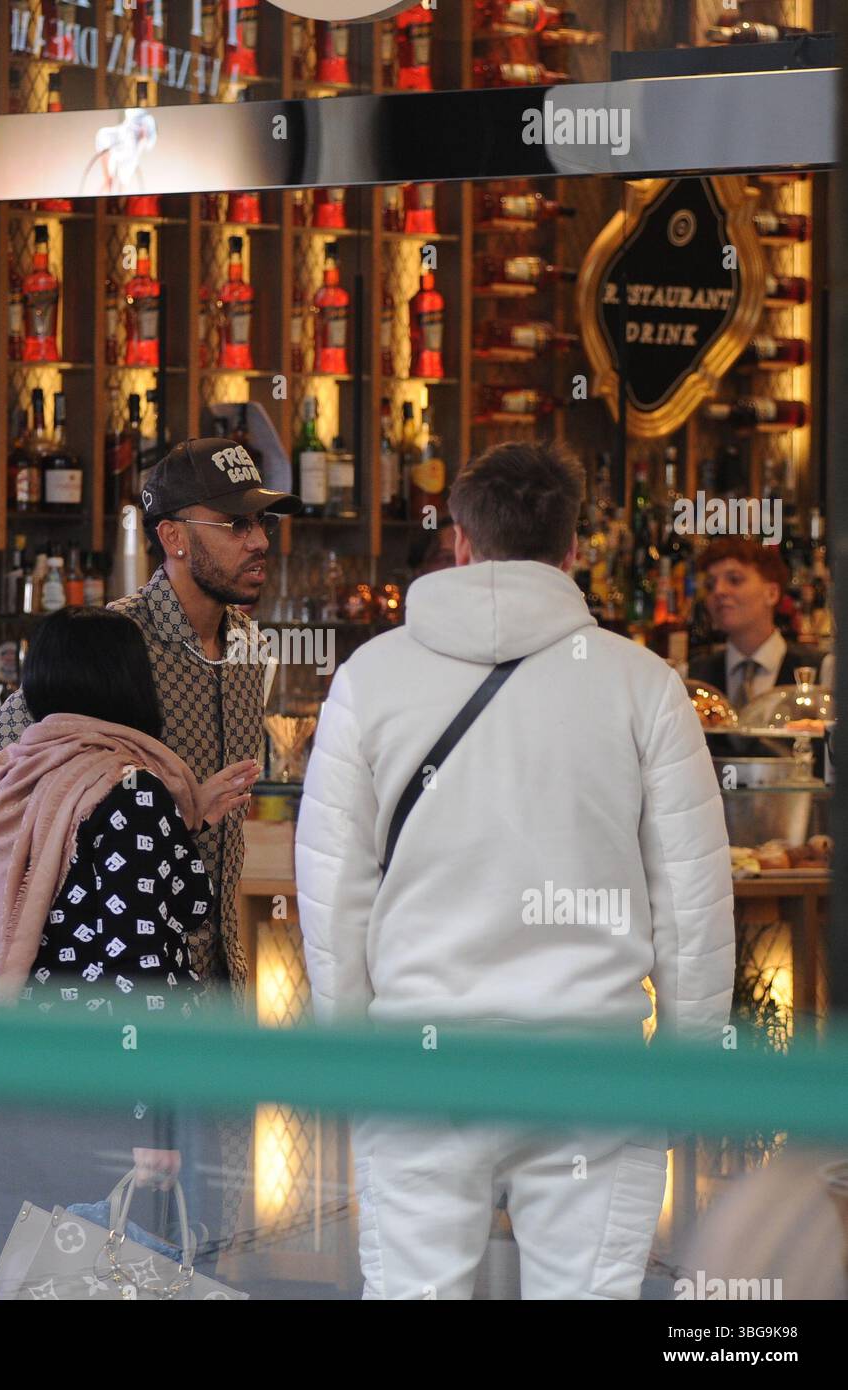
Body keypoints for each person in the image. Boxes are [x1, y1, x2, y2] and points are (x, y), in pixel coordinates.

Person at [294, 439, 735, 1300]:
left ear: (459, 540)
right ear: (573, 551)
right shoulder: (642, 684)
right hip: (590, 1065)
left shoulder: (368, 678)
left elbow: (334, 890)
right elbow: (692, 899)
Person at [0, 435, 300, 1246]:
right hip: (108, 997)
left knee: (202, 1231)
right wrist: (27, 905)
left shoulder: (250, 649)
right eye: (236, 524)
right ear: (172, 536)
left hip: (212, 982)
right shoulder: (110, 641)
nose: (259, 542)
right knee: (104, 1232)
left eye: (263, 524)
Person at [0, 607, 253, 1276]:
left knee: (31, 1285)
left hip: (12, 1095)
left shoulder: (29, 777)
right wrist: (151, 1128)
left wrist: (181, 822)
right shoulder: (132, 794)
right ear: (129, 683)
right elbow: (139, 967)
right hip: (101, 1108)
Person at [689, 538, 816, 707]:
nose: (718, 591)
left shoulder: (822, 669)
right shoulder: (692, 675)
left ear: (771, 593)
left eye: (734, 580)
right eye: (710, 585)